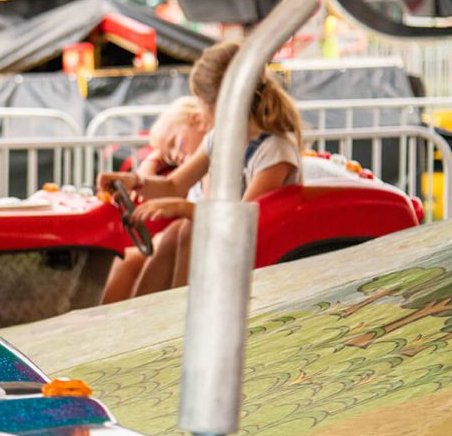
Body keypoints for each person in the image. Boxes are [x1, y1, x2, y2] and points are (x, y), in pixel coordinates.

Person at [98, 40, 303, 298]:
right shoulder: (220, 138)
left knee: (190, 228)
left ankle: (180, 318)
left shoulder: (274, 150)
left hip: (259, 253)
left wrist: (181, 207)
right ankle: (146, 320)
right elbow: (174, 185)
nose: (198, 108)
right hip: (231, 248)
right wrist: (134, 181)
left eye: (200, 100)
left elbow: (240, 220)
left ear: (224, 100)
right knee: (180, 230)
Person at [99, 96, 207, 304]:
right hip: (195, 234)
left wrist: (179, 208)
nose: (176, 156)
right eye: (170, 155)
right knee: (127, 259)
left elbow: (175, 188)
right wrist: (153, 159)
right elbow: (172, 183)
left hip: (206, 238)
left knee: (179, 232)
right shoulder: (196, 166)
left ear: (199, 119)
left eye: (177, 144)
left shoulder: (214, 157)